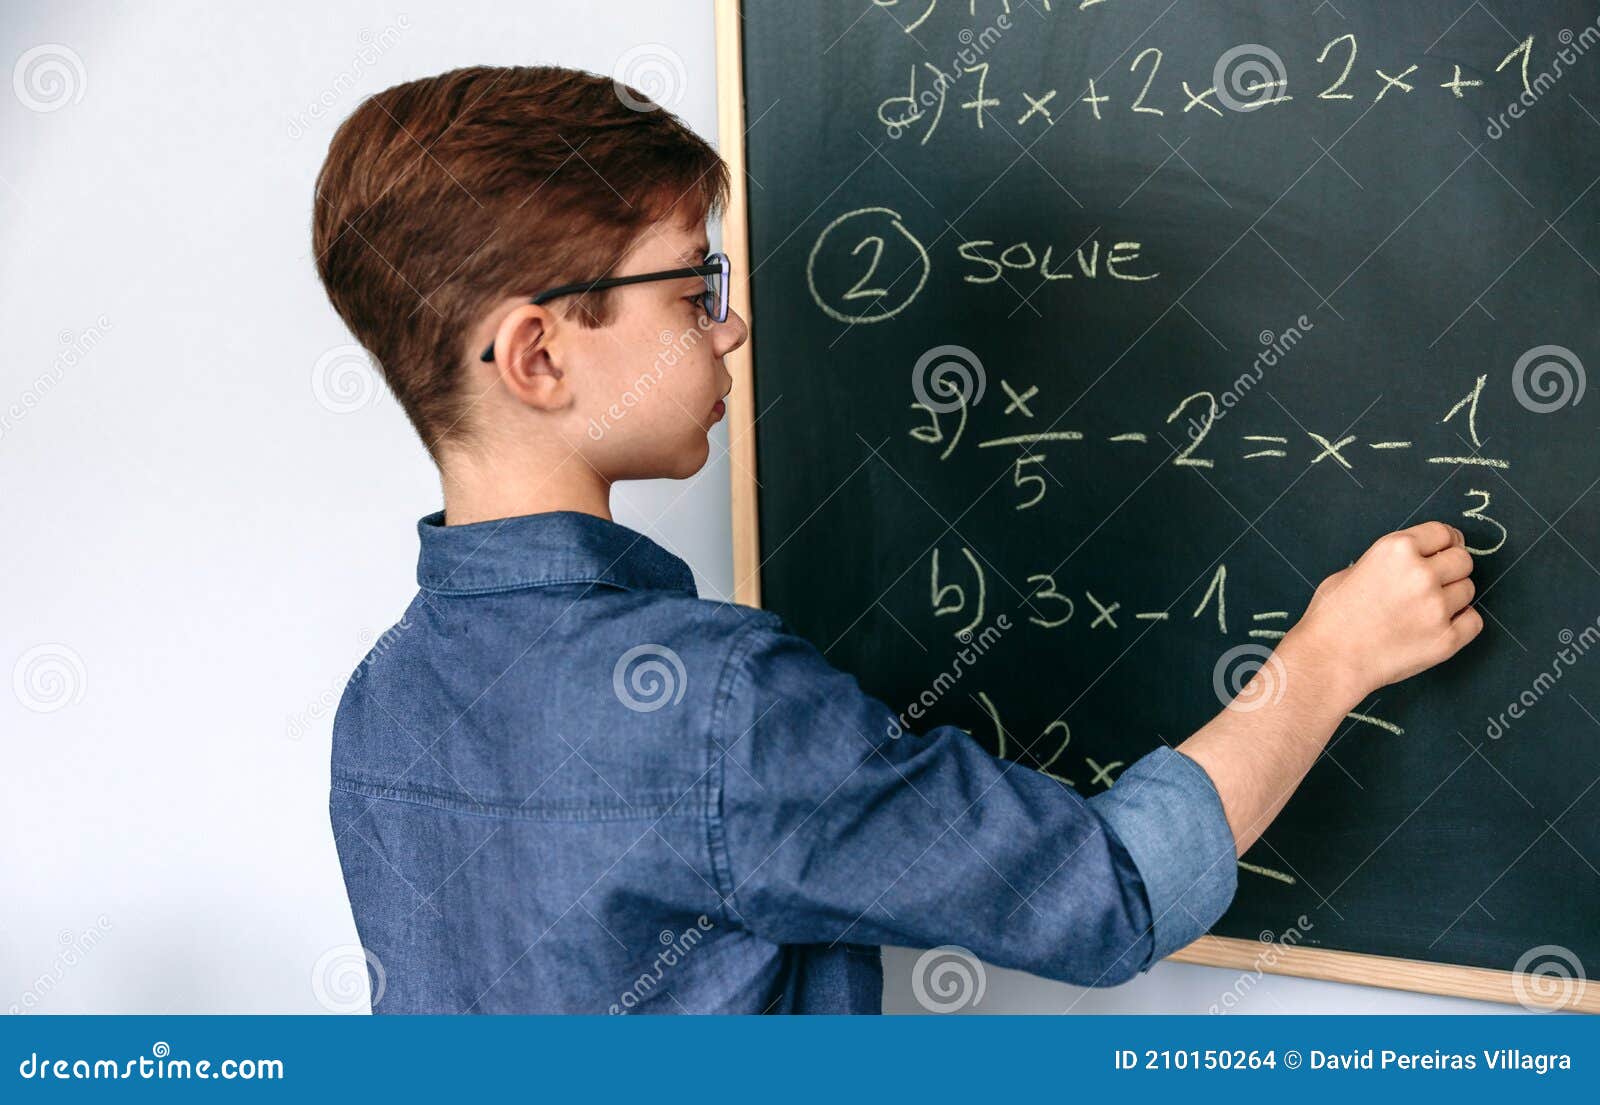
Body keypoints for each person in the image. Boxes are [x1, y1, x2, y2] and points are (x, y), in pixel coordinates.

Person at [312, 65, 1481, 1013]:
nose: (731, 326)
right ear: (538, 355)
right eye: (690, 292)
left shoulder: (382, 698)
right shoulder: (720, 708)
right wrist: (1331, 657)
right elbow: (1110, 893)